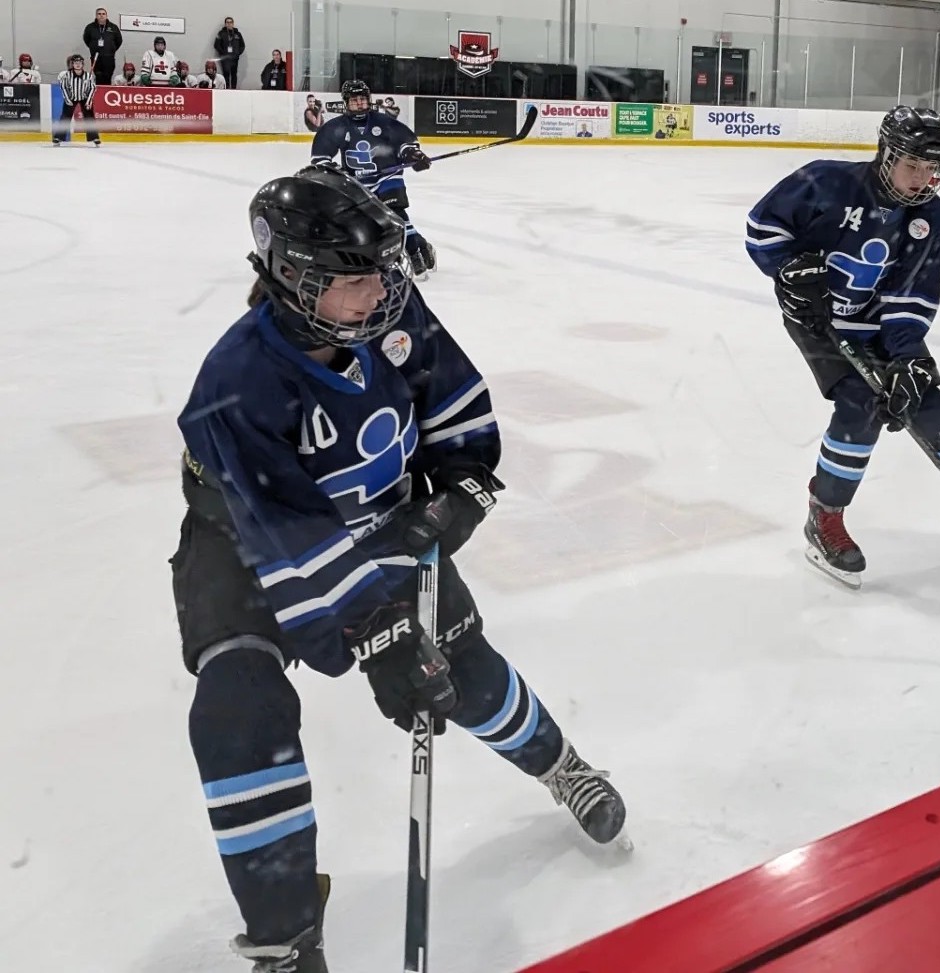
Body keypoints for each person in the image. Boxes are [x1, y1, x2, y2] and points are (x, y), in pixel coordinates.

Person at [174, 163, 627, 972]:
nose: (377, 293)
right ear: (292, 279)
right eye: (353, 280)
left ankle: (561, 764)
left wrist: (459, 490)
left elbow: (455, 409)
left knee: (467, 673)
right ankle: (285, 934)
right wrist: (377, 631)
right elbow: (286, 530)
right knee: (237, 711)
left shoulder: (393, 314)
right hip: (242, 544)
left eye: (381, 272)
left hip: (380, 524)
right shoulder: (235, 381)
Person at [745, 105, 940, 587]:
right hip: (817, 318)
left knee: (929, 402)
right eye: (913, 165)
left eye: (932, 168)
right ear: (886, 154)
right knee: (860, 404)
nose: (923, 179)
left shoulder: (933, 218)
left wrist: (909, 357)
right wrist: (787, 270)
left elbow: (911, 297)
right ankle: (824, 516)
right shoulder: (826, 181)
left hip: (876, 323)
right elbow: (763, 227)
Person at [310, 79, 437, 278]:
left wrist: (413, 155)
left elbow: (404, 142)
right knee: (373, 225)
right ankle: (421, 245)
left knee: (396, 214)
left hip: (387, 176)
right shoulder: (337, 127)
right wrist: (333, 171)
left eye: (363, 99)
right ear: (346, 103)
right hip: (358, 185)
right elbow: (320, 158)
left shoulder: (383, 122)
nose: (360, 104)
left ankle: (414, 254)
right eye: (354, 100)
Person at [55, 54, 99, 146]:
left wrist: (89, 101)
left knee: (89, 117)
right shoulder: (67, 75)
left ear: (83, 64)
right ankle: (59, 137)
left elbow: (93, 88)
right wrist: (67, 99)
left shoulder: (88, 76)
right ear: (72, 64)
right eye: (75, 63)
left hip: (84, 98)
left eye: (80, 62)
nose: (78, 64)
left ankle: (94, 137)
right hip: (71, 98)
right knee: (65, 117)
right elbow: (63, 87)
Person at [82, 7, 122, 85]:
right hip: (96, 57)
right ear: (96, 16)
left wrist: (112, 49)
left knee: (108, 77)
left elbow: (119, 41)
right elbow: (86, 39)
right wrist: (93, 48)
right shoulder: (90, 27)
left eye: (103, 14)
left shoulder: (113, 27)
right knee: (98, 77)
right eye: (99, 14)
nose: (101, 15)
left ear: (106, 16)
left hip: (109, 57)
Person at [213, 15, 245, 89]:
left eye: (231, 22)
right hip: (225, 58)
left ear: (233, 24)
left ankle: (233, 89)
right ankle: (226, 89)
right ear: (225, 24)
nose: (229, 24)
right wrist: (223, 53)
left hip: (234, 58)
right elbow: (216, 45)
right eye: (227, 22)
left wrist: (237, 53)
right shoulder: (220, 33)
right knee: (226, 74)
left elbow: (242, 46)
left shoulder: (238, 34)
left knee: (234, 74)